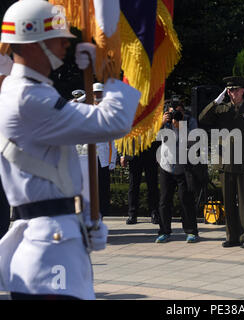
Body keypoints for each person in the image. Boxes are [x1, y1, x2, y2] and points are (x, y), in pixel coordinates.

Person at [0, 0, 140, 299]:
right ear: (34, 43)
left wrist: (81, 221)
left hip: (54, 238)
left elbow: (56, 173)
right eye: (57, 36)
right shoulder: (29, 97)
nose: (66, 42)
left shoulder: (27, 90)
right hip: (50, 249)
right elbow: (113, 121)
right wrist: (110, 68)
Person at [200, 76, 244, 249]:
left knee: (243, 202)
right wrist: (216, 101)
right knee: (228, 201)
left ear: (242, 90)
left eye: (235, 90)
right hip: (225, 161)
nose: (232, 93)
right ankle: (231, 236)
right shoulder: (222, 109)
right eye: (229, 90)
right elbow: (203, 117)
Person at [155, 100, 199, 243]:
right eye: (173, 111)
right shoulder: (163, 121)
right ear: (167, 111)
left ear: (183, 111)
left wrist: (180, 128)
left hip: (183, 166)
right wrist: (161, 123)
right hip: (166, 165)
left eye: (179, 111)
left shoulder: (190, 121)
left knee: (185, 199)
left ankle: (191, 232)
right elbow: (153, 138)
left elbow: (194, 141)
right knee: (164, 200)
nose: (176, 114)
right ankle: (164, 231)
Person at [122, 140, 160, 225]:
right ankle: (132, 214)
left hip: (151, 150)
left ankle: (155, 213)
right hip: (135, 152)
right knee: (133, 185)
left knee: (152, 185)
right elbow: (126, 135)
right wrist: (123, 155)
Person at [93, 82, 117, 217]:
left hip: (103, 158)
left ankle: (101, 214)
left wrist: (112, 160)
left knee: (102, 189)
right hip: (89, 157)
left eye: (100, 92)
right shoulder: (87, 109)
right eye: (95, 93)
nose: (97, 95)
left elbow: (112, 139)